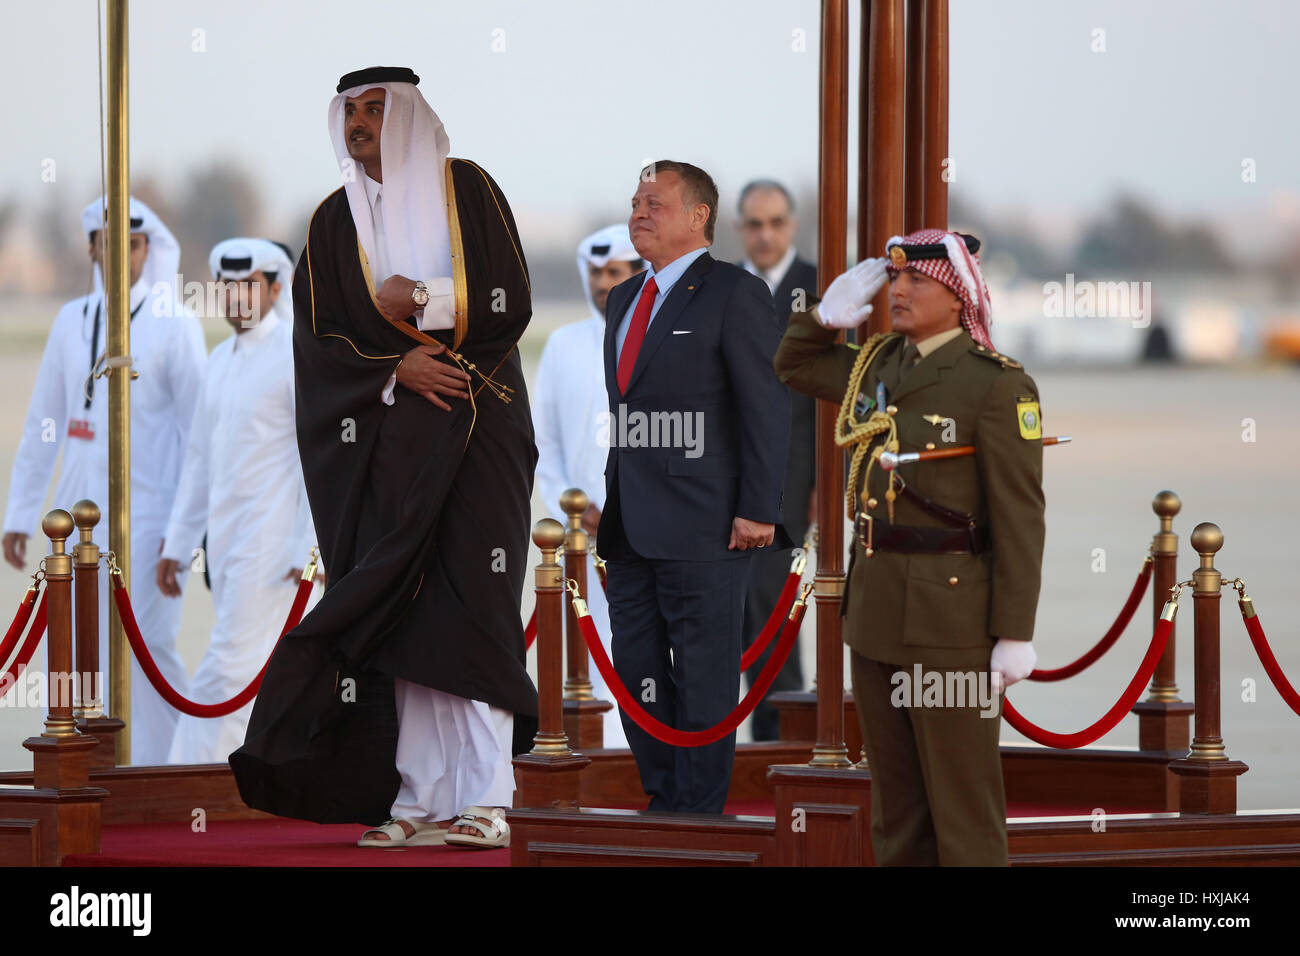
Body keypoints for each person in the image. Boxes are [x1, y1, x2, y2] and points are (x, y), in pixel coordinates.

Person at [230, 67, 538, 851]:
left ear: (407, 117)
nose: (362, 122)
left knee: (473, 612)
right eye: (352, 112)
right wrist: (392, 368)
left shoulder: (465, 188)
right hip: (387, 443)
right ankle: (416, 797)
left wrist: (424, 306)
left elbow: (507, 296)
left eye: (377, 109)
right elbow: (320, 337)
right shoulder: (333, 221)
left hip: (475, 432)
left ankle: (488, 797)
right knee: (404, 618)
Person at [773, 228, 1045, 865]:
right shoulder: (878, 364)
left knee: (962, 809)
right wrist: (821, 318)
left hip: (950, 623)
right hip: (876, 616)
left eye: (916, 281)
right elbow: (794, 366)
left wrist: (1014, 630)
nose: (899, 290)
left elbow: (1020, 518)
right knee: (896, 812)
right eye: (894, 279)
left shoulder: (997, 386)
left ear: (957, 297)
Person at [600, 160, 791, 813]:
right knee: (638, 673)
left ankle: (698, 814)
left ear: (698, 216)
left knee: (707, 677)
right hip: (629, 528)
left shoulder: (734, 292)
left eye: (654, 202)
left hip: (709, 525)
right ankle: (663, 799)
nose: (638, 213)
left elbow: (765, 406)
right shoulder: (625, 298)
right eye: (634, 202)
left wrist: (759, 509)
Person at [2, 196, 206, 764]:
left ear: (148, 250)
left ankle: (161, 774)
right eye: (110, 243)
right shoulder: (72, 319)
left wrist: (186, 536)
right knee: (74, 652)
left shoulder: (175, 323)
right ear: (93, 246)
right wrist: (21, 514)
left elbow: (200, 441)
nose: (121, 255)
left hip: (152, 524)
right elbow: (44, 422)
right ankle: (88, 779)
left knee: (149, 650)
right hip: (73, 527)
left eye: (133, 245)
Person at [158, 238, 321, 764]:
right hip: (226, 549)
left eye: (247, 286)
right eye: (226, 287)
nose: (235, 298)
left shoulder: (296, 355)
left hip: (276, 548)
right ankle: (260, 780)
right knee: (254, 670)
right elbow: (200, 461)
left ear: (276, 289)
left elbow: (316, 460)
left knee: (226, 670)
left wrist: (308, 548)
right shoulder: (219, 360)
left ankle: (189, 779)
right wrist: (178, 545)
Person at [532, 224, 645, 749]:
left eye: (616, 272)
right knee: (588, 646)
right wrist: (572, 508)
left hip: (648, 529)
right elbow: (544, 443)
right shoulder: (561, 344)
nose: (604, 283)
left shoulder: (658, 338)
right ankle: (593, 752)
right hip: (583, 536)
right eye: (597, 273)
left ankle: (643, 753)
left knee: (644, 647)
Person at [735, 179, 817, 740]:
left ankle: (781, 743)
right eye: (754, 224)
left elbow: (838, 395)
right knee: (728, 613)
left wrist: (825, 482)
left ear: (792, 224)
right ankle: (728, 749)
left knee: (772, 607)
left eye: (776, 222)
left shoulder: (819, 289)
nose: (766, 235)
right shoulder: (721, 285)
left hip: (793, 483)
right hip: (722, 483)